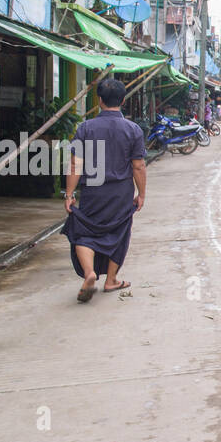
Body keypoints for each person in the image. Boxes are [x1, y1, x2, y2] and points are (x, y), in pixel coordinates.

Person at [62, 78, 147, 302]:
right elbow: (138, 165)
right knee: (119, 233)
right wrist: (142, 194)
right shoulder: (133, 130)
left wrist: (69, 195)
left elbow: (75, 164)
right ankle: (111, 280)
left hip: (92, 191)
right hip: (121, 192)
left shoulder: (86, 128)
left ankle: (90, 273)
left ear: (99, 100)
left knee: (84, 231)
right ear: (123, 100)